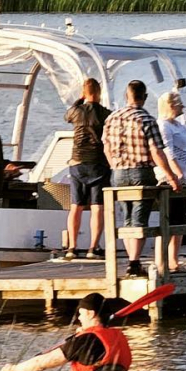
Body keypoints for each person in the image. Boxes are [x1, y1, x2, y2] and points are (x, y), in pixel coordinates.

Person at [0, 293, 132, 371]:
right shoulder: (118, 338)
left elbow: (41, 363)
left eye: (81, 314)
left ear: (91, 313)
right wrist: (81, 335)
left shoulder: (84, 341)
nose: (79, 318)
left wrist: (13, 368)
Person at [102, 80, 181, 279]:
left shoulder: (112, 117)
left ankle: (133, 261)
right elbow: (156, 151)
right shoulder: (146, 119)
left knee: (127, 218)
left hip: (118, 173)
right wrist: (171, 176)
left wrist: (114, 165)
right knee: (139, 219)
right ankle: (134, 263)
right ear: (144, 97)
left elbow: (105, 147)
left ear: (126, 96)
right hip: (140, 172)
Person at [63, 79, 112, 260]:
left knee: (76, 206)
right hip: (98, 163)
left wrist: (79, 100)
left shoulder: (76, 111)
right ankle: (93, 247)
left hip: (77, 162)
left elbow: (66, 116)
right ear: (99, 93)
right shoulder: (106, 114)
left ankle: (72, 247)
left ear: (84, 92)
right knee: (97, 207)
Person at [155, 89, 186, 273]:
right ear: (170, 105)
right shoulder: (163, 126)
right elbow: (168, 152)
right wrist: (178, 175)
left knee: (179, 221)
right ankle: (161, 261)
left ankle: (174, 260)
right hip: (171, 178)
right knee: (168, 220)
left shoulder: (179, 125)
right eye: (179, 103)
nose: (182, 106)